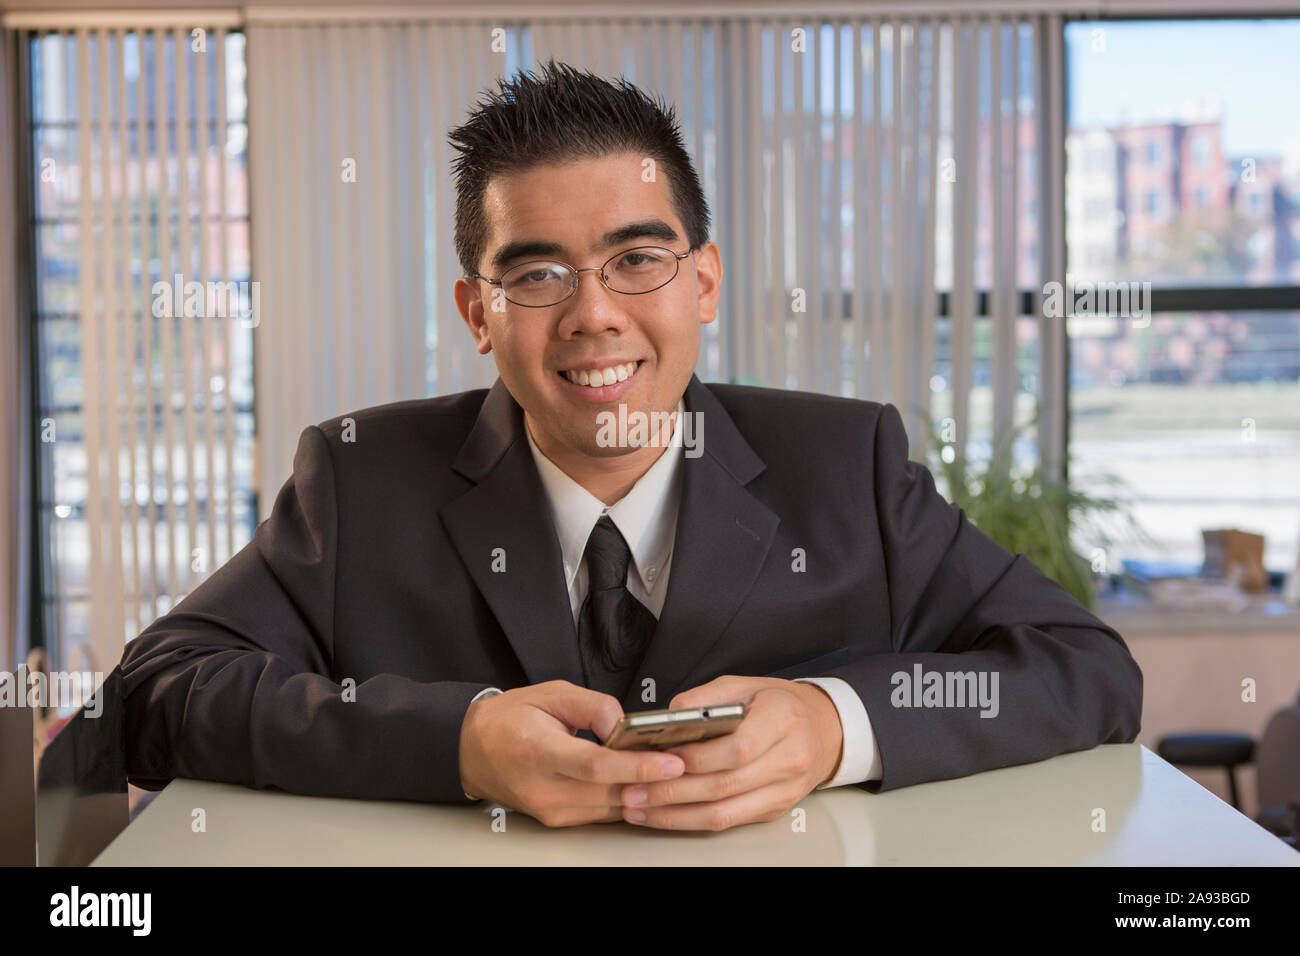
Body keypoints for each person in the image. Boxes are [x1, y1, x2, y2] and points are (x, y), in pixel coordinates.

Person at [118, 59, 1142, 832]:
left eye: (636, 259)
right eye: (538, 275)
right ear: (479, 311)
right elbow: (154, 692)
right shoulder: (359, 478)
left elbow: (1085, 668)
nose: (593, 315)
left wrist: (837, 723)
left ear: (702, 283)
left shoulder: (846, 463)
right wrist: (460, 741)